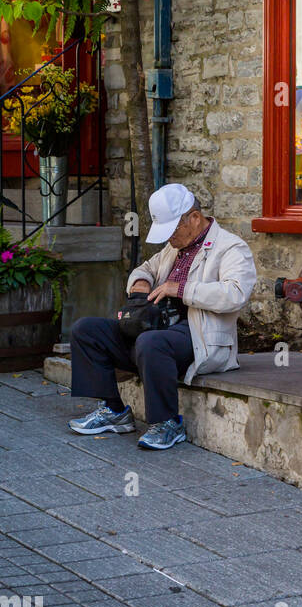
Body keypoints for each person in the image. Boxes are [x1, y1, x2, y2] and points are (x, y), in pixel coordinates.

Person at [67, 183, 256, 450]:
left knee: (151, 342)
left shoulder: (231, 247)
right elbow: (145, 268)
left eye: (172, 230)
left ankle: (167, 423)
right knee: (86, 329)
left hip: (198, 332)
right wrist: (141, 282)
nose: (169, 238)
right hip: (159, 327)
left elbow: (235, 294)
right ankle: (113, 410)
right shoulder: (175, 245)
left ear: (194, 217)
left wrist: (180, 289)